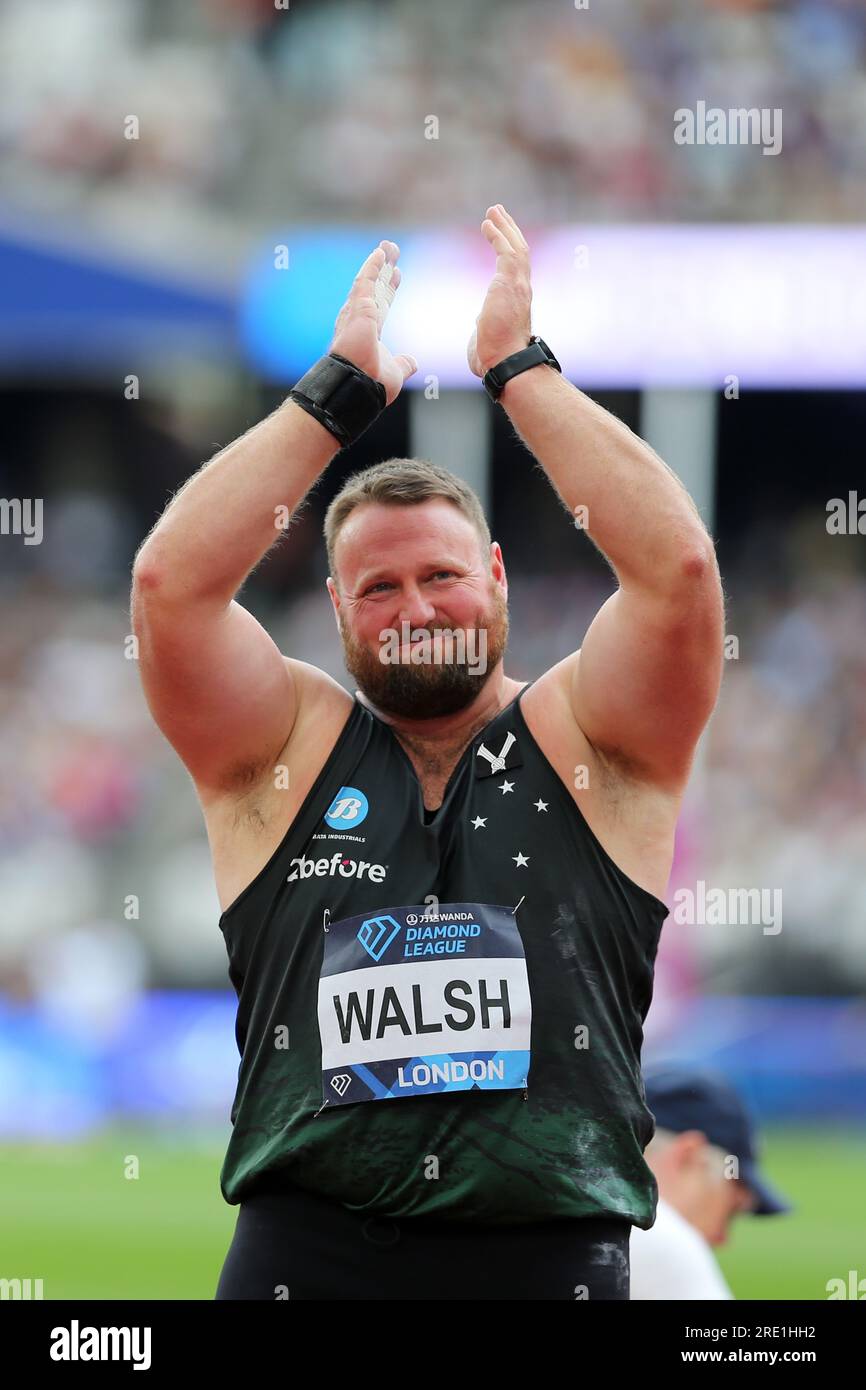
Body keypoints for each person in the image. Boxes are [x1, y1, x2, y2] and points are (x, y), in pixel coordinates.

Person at [130, 204, 725, 1300]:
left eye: (442, 575)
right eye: (379, 586)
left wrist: (518, 371)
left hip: (549, 1250)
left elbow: (678, 575)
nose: (416, 606)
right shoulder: (284, 749)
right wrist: (335, 396)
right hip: (307, 1254)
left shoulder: (593, 736)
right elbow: (171, 591)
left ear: (496, 575)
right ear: (337, 608)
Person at [630, 1066, 792, 1300]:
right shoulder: (665, 1241)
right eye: (730, 1211)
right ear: (688, 1156)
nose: (722, 1239)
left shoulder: (572, 1201)